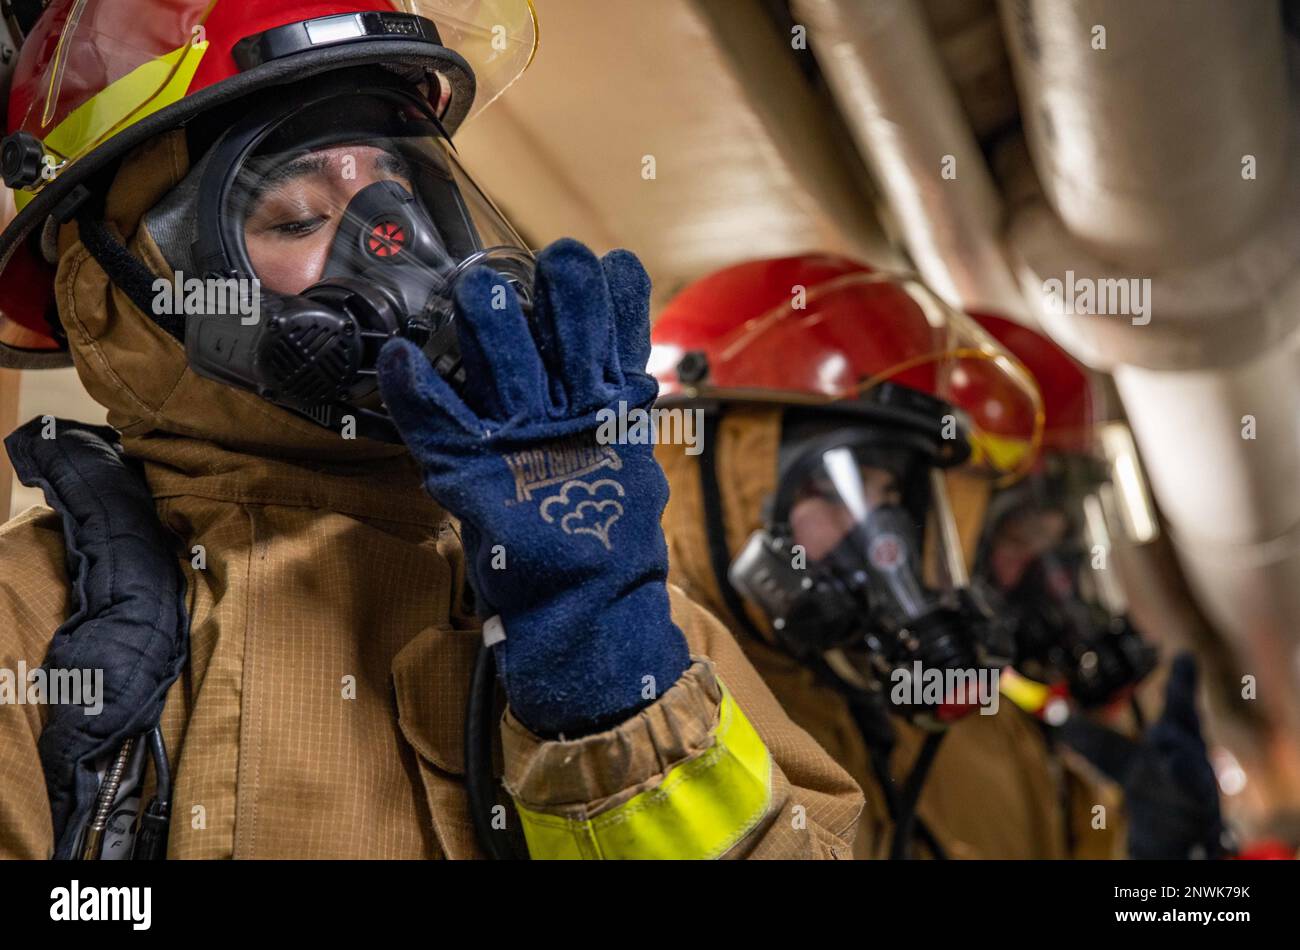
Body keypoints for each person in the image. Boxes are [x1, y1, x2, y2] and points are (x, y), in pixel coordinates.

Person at [0, 1, 862, 860]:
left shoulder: (641, 619)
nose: (402, 254)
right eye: (298, 216)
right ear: (111, 303)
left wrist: (610, 688)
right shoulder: (31, 629)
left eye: (407, 197)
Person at [651, 254, 1127, 859]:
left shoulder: (862, 709)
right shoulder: (659, 716)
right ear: (699, 480)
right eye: (831, 490)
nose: (881, 544)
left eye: (892, 499)